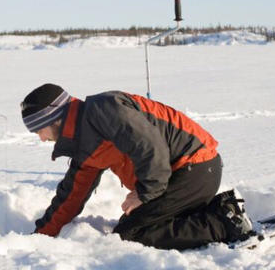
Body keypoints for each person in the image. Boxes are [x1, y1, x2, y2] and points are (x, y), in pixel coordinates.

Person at [21, 83, 253, 250]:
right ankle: (219, 212)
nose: (41, 139)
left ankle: (223, 223)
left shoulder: (103, 109)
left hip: (195, 166)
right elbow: (71, 196)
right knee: (136, 226)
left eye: (38, 130)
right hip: (179, 176)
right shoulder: (84, 146)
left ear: (53, 119)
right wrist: (40, 236)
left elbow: (150, 146)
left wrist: (145, 192)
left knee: (132, 233)